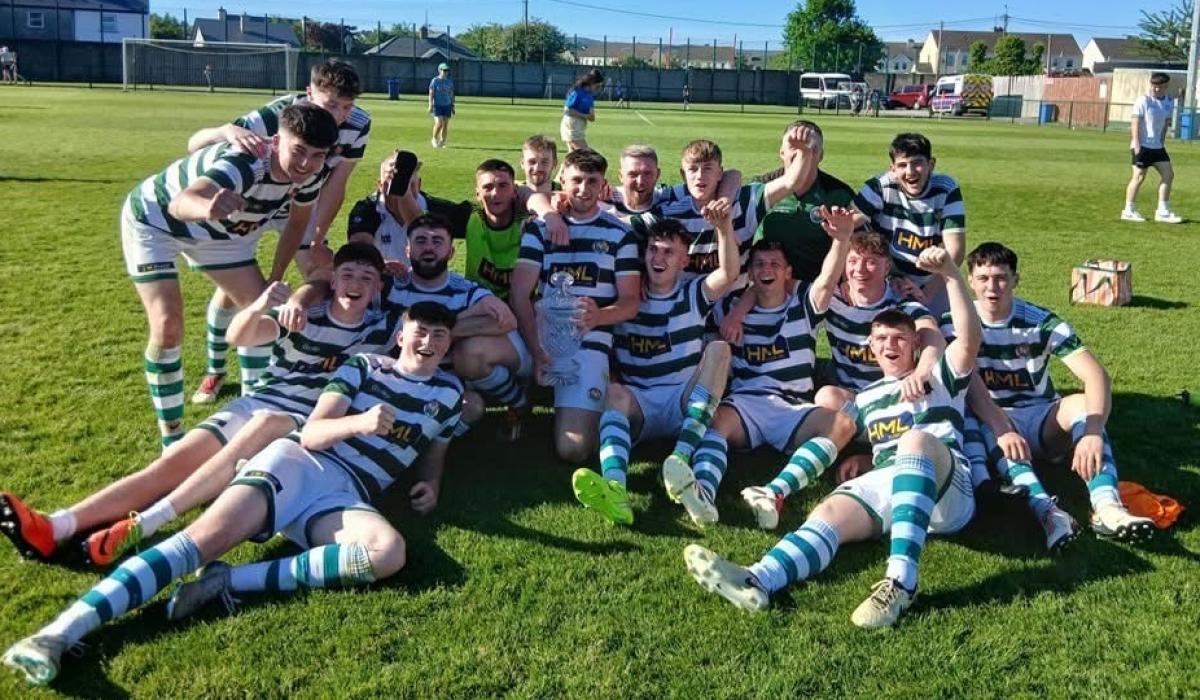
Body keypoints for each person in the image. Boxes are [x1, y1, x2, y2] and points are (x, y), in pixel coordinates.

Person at [1, 302, 463, 687]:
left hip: (347, 494)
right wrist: (360, 423)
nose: (429, 343)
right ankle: (60, 634)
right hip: (301, 465)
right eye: (421, 332)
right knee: (196, 542)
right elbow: (315, 431)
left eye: (440, 335)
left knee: (387, 553)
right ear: (401, 335)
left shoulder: (450, 391)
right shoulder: (363, 365)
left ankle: (227, 582)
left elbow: (436, 445)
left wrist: (434, 482)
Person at [0, 244, 391, 566]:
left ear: (377, 288)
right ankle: (55, 528)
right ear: (334, 278)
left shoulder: (382, 329)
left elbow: (434, 328)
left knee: (254, 434)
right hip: (257, 402)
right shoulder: (302, 315)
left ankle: (142, 526)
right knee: (169, 466)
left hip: (298, 420)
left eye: (366, 278)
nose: (355, 284)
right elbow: (241, 336)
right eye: (348, 274)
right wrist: (261, 305)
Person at [684, 246, 980, 630]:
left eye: (899, 339)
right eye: (881, 340)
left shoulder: (939, 376)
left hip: (951, 491)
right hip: (897, 484)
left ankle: (901, 582)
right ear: (870, 348)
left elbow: (969, 339)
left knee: (915, 441)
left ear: (915, 345)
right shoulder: (868, 398)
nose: (890, 346)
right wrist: (859, 464)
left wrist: (953, 276)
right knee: (827, 513)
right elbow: (836, 436)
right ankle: (758, 578)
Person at [120, 103, 338, 447]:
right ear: (277, 140)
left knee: (260, 316)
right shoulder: (245, 163)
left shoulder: (311, 173)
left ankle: (251, 415)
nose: (306, 164)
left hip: (222, 237)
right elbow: (181, 202)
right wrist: (207, 207)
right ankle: (172, 440)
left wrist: (274, 279)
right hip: (156, 223)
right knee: (168, 325)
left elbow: (296, 225)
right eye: (299, 151)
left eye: (317, 155)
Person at [186, 59, 370, 403]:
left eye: (347, 106)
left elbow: (337, 182)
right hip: (252, 202)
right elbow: (194, 144)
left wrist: (318, 235)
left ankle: (321, 362)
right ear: (308, 93)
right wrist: (225, 130)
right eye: (330, 105)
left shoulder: (359, 123)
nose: (339, 115)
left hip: (301, 204)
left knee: (320, 273)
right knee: (237, 291)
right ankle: (216, 371)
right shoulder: (277, 115)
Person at [662, 217, 858, 528]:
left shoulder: (803, 304)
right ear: (750, 273)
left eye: (774, 264)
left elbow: (827, 278)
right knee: (714, 423)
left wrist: (841, 239)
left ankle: (772, 492)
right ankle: (703, 492)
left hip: (792, 404)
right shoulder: (729, 310)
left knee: (843, 424)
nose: (767, 270)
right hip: (745, 402)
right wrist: (740, 308)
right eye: (759, 264)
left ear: (788, 272)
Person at [955, 242, 1155, 543]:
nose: (992, 286)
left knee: (1081, 406)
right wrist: (1000, 425)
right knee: (978, 420)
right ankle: (1049, 514)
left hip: (1040, 416)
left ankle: (1108, 507)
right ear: (970, 280)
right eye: (983, 278)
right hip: (991, 416)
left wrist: (1093, 432)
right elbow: (967, 382)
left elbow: (1096, 375)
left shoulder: (1041, 322)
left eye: (1001, 278)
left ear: (1015, 280)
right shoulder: (957, 321)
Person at [572, 206, 740, 526]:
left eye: (668, 251)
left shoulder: (693, 293)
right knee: (614, 394)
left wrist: (723, 228)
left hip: (684, 401)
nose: (658, 257)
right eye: (652, 249)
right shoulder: (626, 298)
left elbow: (729, 273)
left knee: (718, 351)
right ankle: (616, 491)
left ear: (684, 261)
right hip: (641, 403)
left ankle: (684, 465)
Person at [510, 149, 641, 462]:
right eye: (576, 180)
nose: (584, 189)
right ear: (561, 181)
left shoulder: (620, 234)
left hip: (588, 339)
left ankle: (595, 397)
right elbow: (519, 294)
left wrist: (600, 316)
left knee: (573, 450)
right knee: (476, 356)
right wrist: (537, 350)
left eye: (592, 181)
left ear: (603, 185)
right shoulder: (539, 228)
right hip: (539, 335)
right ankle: (514, 399)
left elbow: (630, 303)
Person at [853, 132, 965, 316]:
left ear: (931, 164)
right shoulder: (881, 185)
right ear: (892, 169)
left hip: (934, 278)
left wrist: (926, 293)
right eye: (902, 165)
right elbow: (848, 227)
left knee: (947, 336)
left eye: (917, 163)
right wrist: (887, 276)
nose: (910, 171)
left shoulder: (946, 188)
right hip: (891, 280)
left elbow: (956, 251)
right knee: (886, 338)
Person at [626, 140, 754, 282]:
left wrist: (725, 201)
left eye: (647, 173)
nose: (700, 175)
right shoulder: (668, 201)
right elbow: (622, 225)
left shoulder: (681, 192)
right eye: (633, 174)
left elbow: (733, 174)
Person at [1123, 72, 1182, 224]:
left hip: (1157, 147)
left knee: (1168, 175)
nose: (1155, 89)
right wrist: (1136, 144)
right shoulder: (1144, 100)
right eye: (1153, 86)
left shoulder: (1169, 102)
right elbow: (1135, 122)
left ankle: (1162, 211)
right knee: (1139, 177)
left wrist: (1161, 140)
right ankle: (1128, 210)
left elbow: (1166, 123)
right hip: (1142, 146)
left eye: (1159, 87)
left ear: (1165, 86)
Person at [560, 69, 605, 152]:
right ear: (591, 83)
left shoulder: (590, 96)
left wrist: (585, 115)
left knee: (573, 156)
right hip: (571, 127)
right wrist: (584, 115)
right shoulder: (577, 92)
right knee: (586, 154)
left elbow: (592, 117)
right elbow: (567, 110)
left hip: (580, 129)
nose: (598, 89)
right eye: (597, 86)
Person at [429, 62, 455, 149]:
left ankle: (442, 141)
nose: (446, 72)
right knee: (439, 123)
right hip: (437, 105)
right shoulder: (435, 81)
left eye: (447, 70)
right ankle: (434, 139)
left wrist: (452, 105)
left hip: (447, 105)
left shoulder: (449, 82)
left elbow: (451, 94)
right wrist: (430, 105)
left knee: (445, 124)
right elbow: (431, 93)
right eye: (444, 70)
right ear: (440, 71)